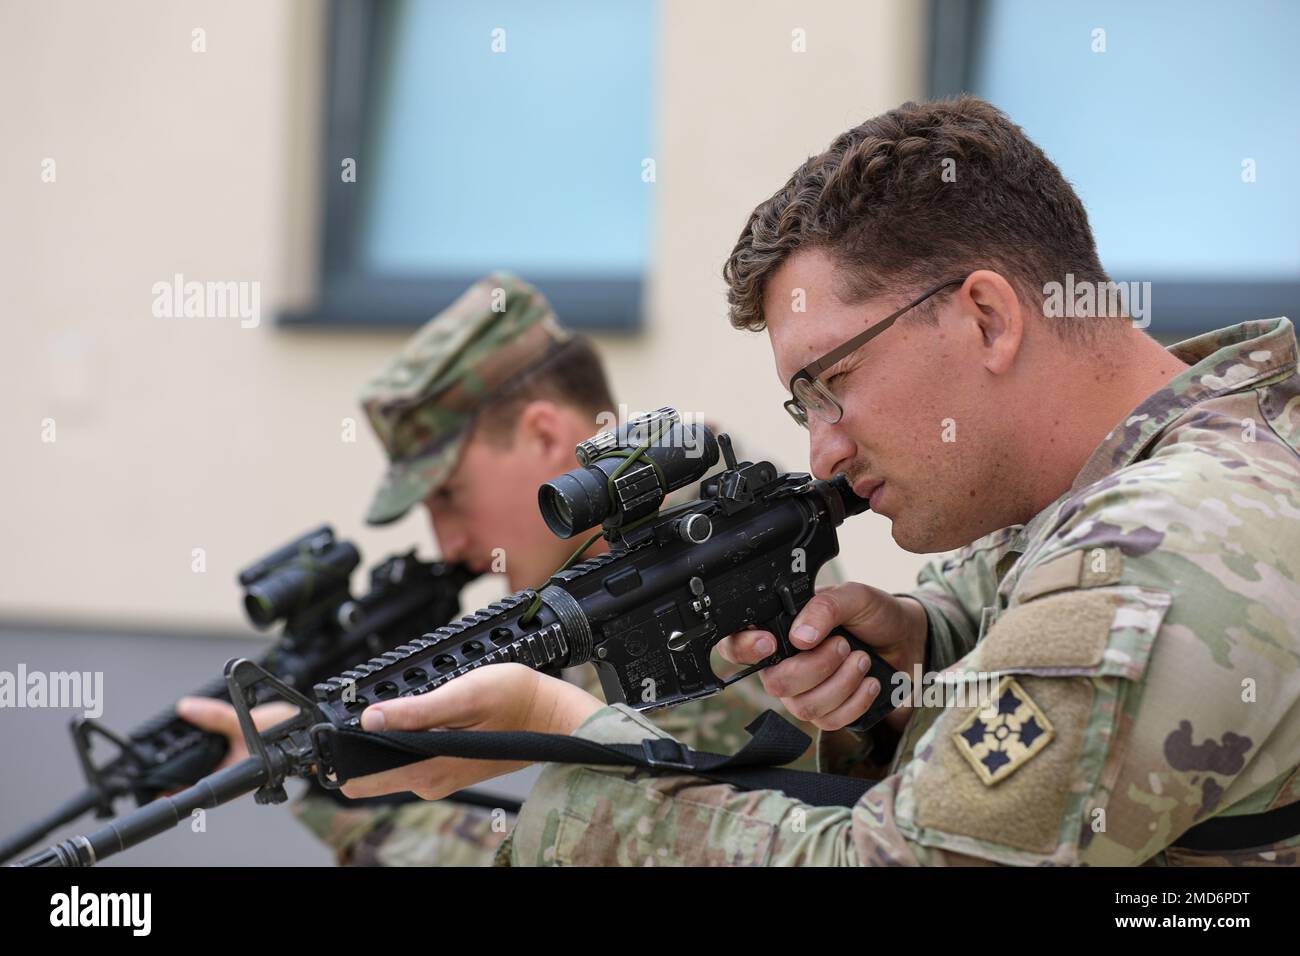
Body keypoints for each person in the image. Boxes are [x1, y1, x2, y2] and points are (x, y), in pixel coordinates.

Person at [338, 96, 1300, 866]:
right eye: (806, 409)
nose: (824, 455)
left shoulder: (1163, 542)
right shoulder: (1146, 472)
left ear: (986, 319)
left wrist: (570, 740)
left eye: (834, 383)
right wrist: (914, 657)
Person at [178, 274, 822, 866]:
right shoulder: (634, 558)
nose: (450, 544)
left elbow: (641, 839)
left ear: (544, 435)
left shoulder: (699, 578)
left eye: (450, 496)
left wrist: (343, 797)